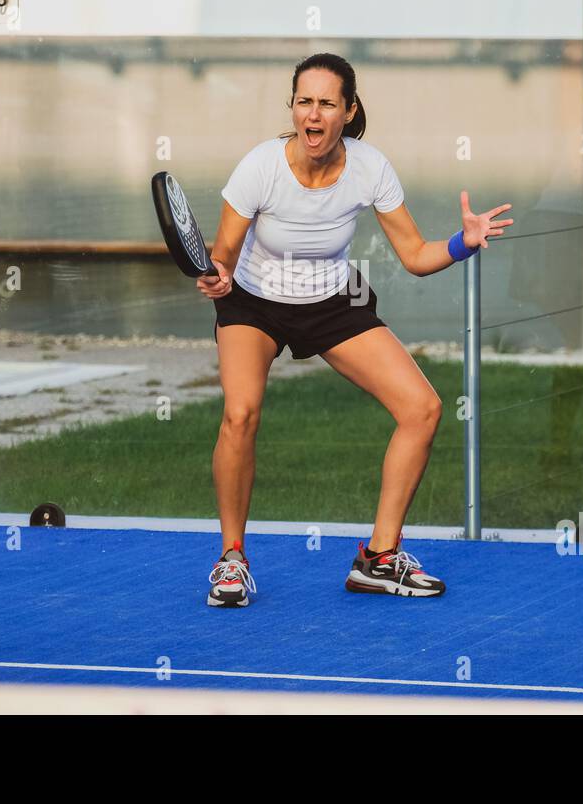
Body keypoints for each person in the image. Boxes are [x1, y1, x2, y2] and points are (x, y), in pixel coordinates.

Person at [198, 52, 513, 606]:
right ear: (292, 108)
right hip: (253, 302)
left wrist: (465, 241)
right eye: (303, 101)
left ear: (348, 111)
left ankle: (378, 559)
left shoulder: (370, 168)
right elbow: (222, 254)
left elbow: (415, 255)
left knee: (423, 408)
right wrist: (219, 277)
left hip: (333, 300)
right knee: (240, 413)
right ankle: (231, 560)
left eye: (325, 103)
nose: (312, 115)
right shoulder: (259, 167)